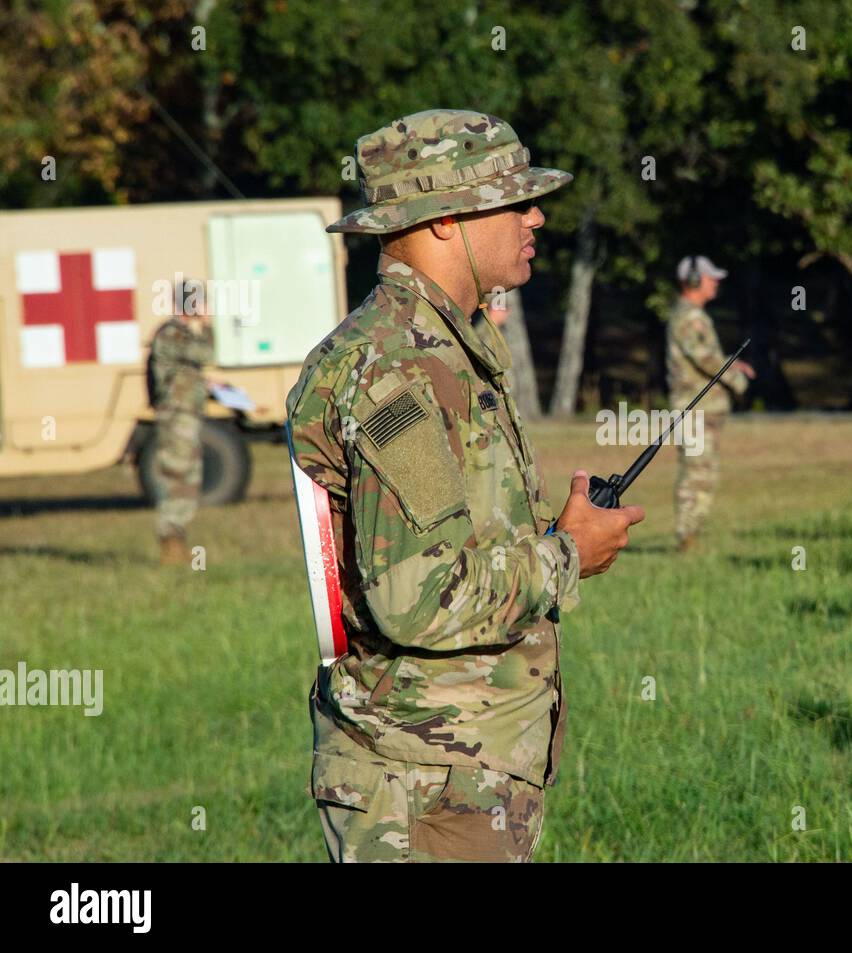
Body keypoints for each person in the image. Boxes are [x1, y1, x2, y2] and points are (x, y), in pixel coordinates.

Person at [287, 109, 645, 862]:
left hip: (454, 771)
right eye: (514, 200)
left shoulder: (448, 346)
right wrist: (568, 554)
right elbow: (419, 595)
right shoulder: (399, 371)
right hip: (424, 788)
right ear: (445, 220)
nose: (536, 215)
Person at [665, 255, 755, 552]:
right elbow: (705, 358)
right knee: (697, 475)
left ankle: (691, 537)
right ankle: (686, 539)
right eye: (710, 277)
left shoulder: (692, 315)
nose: (716, 282)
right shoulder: (689, 317)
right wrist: (737, 380)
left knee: (704, 473)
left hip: (703, 412)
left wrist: (733, 367)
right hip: (694, 412)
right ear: (693, 281)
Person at [147, 278, 213, 566]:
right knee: (177, 478)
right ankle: (171, 543)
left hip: (183, 418)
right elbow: (206, 354)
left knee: (186, 478)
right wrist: (208, 325)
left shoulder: (177, 334)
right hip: (177, 419)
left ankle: (176, 541)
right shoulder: (173, 334)